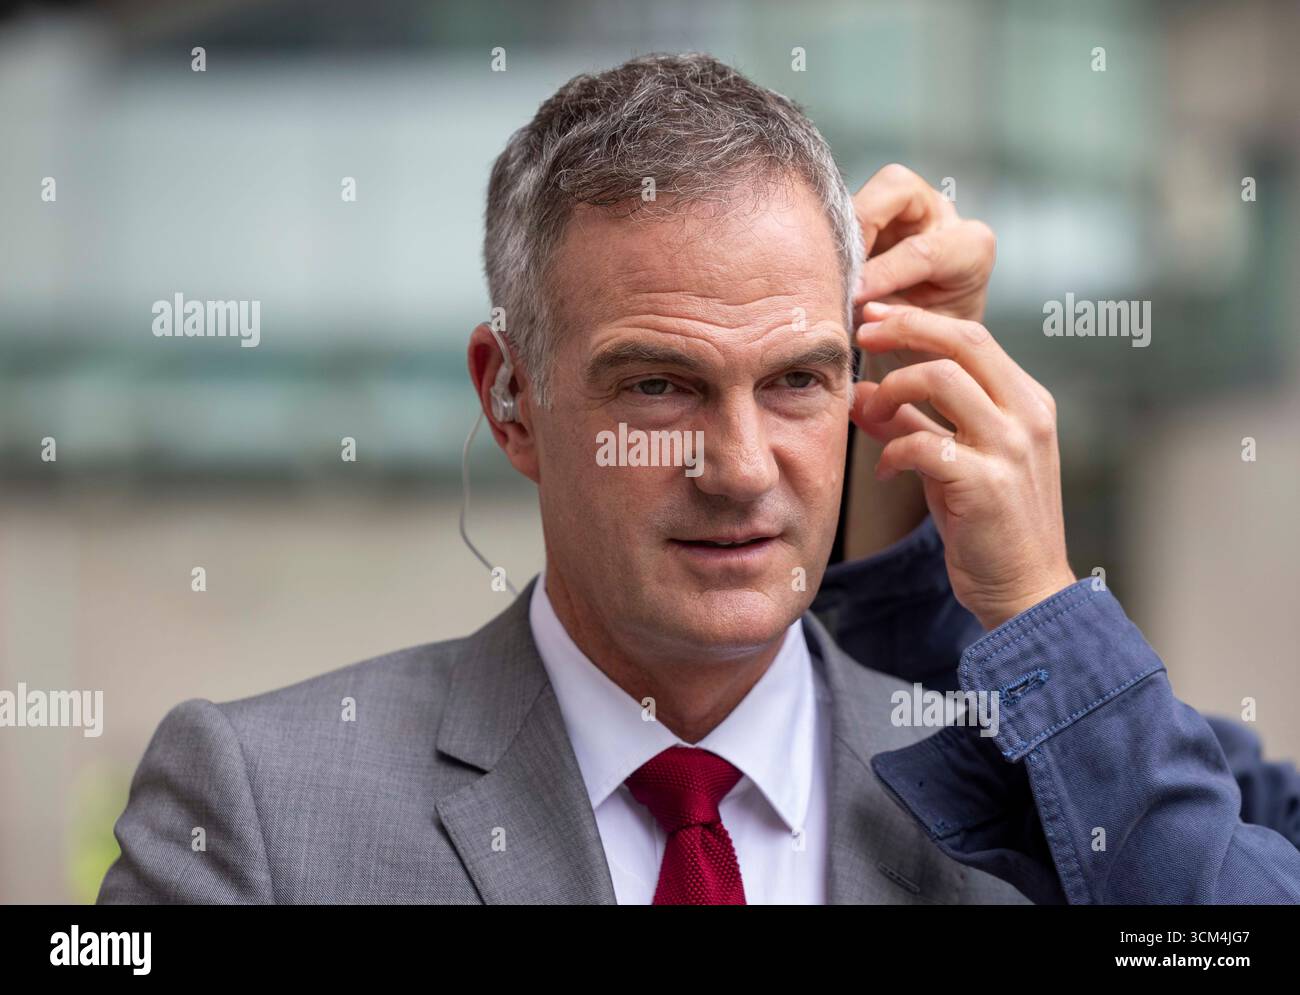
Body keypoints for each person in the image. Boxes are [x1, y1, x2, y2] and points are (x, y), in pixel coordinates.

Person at [99, 52, 1300, 905]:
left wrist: (1040, 613)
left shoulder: (1044, 819)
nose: (737, 470)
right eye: (658, 385)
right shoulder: (257, 807)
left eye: (796, 381)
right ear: (508, 397)